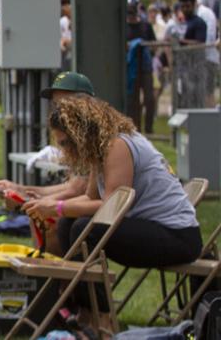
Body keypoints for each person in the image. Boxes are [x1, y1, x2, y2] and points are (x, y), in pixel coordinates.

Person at [23, 96, 202, 328]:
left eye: (66, 143)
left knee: (84, 230)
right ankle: (84, 310)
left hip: (178, 236)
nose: (64, 150)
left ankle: (102, 319)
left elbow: (113, 207)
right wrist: (48, 203)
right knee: (69, 224)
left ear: (80, 134)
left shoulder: (117, 145)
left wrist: (58, 207)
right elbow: (90, 198)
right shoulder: (99, 147)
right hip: (151, 228)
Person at [0, 71, 96, 255]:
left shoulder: (90, 134)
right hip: (103, 207)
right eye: (55, 104)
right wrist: (21, 190)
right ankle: (47, 270)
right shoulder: (75, 133)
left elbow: (77, 189)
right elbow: (73, 186)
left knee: (50, 219)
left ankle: (55, 272)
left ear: (84, 103)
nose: (58, 110)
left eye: (64, 103)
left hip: (122, 214)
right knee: (40, 214)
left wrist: (32, 198)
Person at [125, 5, 156, 133]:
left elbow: (154, 44)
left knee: (149, 98)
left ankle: (149, 129)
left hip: (145, 67)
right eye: (128, 14)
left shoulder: (145, 26)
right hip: (131, 68)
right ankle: (135, 129)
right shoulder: (124, 27)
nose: (131, 17)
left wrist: (146, 47)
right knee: (133, 100)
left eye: (132, 13)